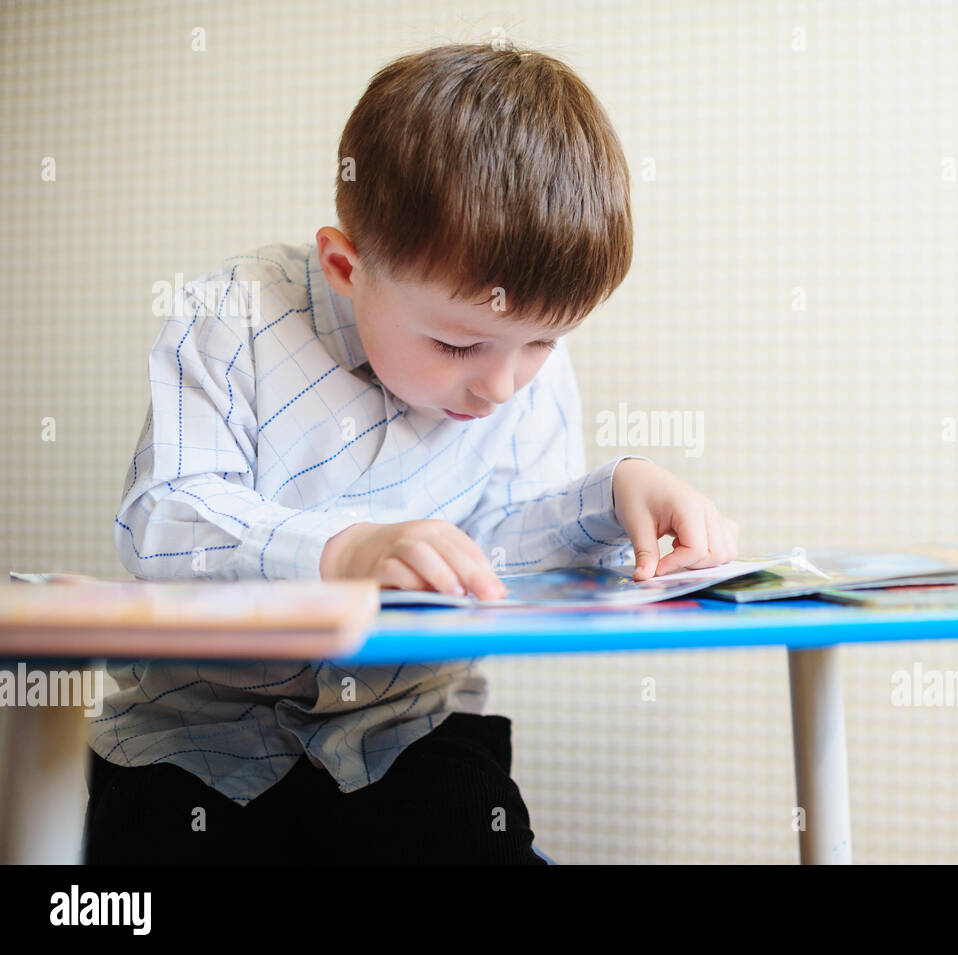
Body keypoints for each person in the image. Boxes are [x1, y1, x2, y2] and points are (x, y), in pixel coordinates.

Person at [85, 41, 740, 865]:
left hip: (408, 735)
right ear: (345, 266)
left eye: (540, 341)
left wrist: (612, 496)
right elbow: (163, 519)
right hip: (194, 744)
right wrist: (343, 549)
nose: (504, 384)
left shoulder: (522, 369)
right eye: (457, 343)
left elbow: (500, 548)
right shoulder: (236, 315)